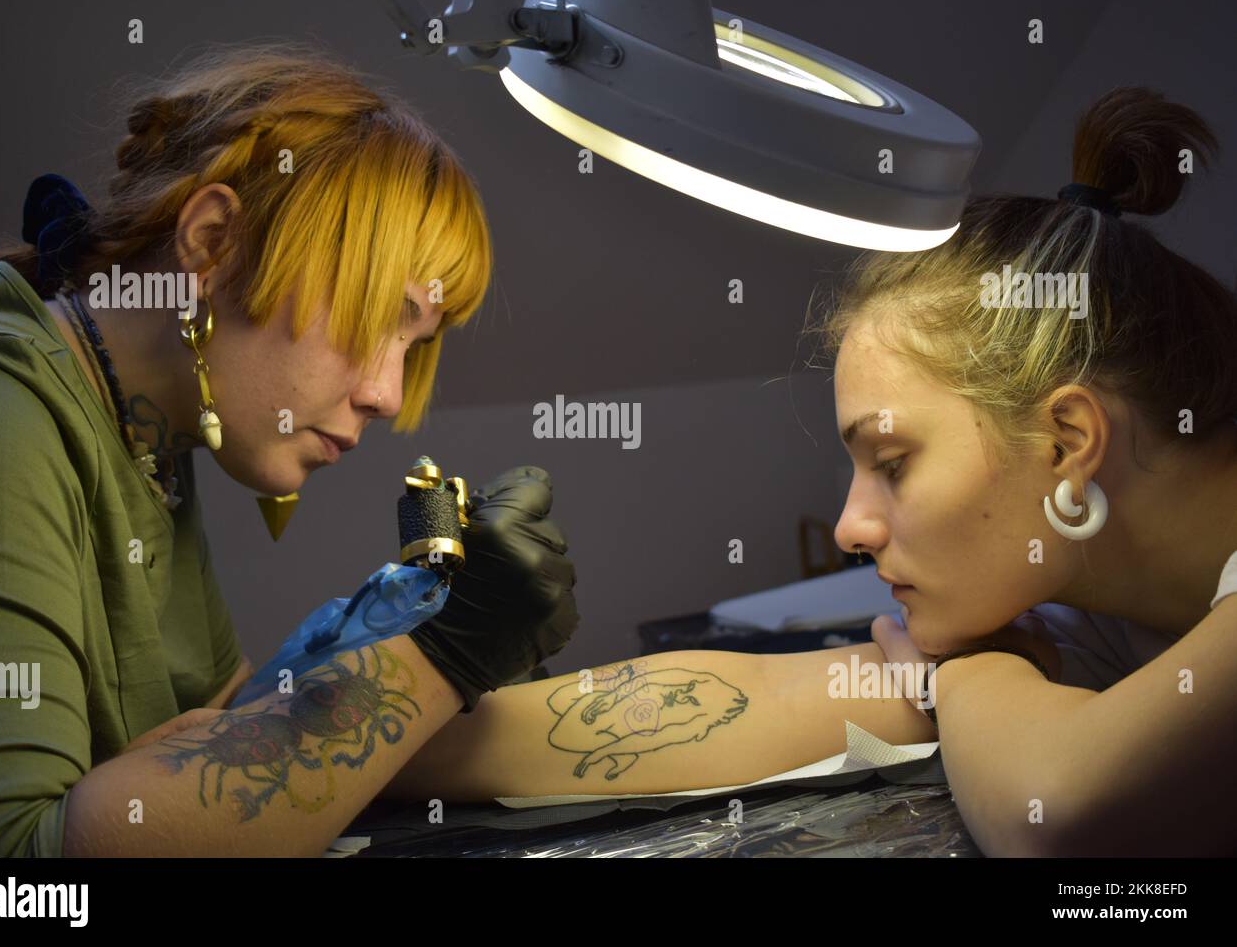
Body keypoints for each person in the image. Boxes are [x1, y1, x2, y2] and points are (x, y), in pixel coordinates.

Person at [374, 87, 1237, 857]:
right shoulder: (1096, 601)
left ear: (1068, 440)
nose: (851, 528)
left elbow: (1055, 812)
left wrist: (966, 670)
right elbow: (760, 701)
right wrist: (384, 734)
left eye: (893, 463)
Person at [0, 42, 578, 856]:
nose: (387, 395)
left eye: (412, 346)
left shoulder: (149, 438)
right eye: (380, 315)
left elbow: (224, 724)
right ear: (213, 244)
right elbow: (10, 874)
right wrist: (439, 661)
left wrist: (424, 660)